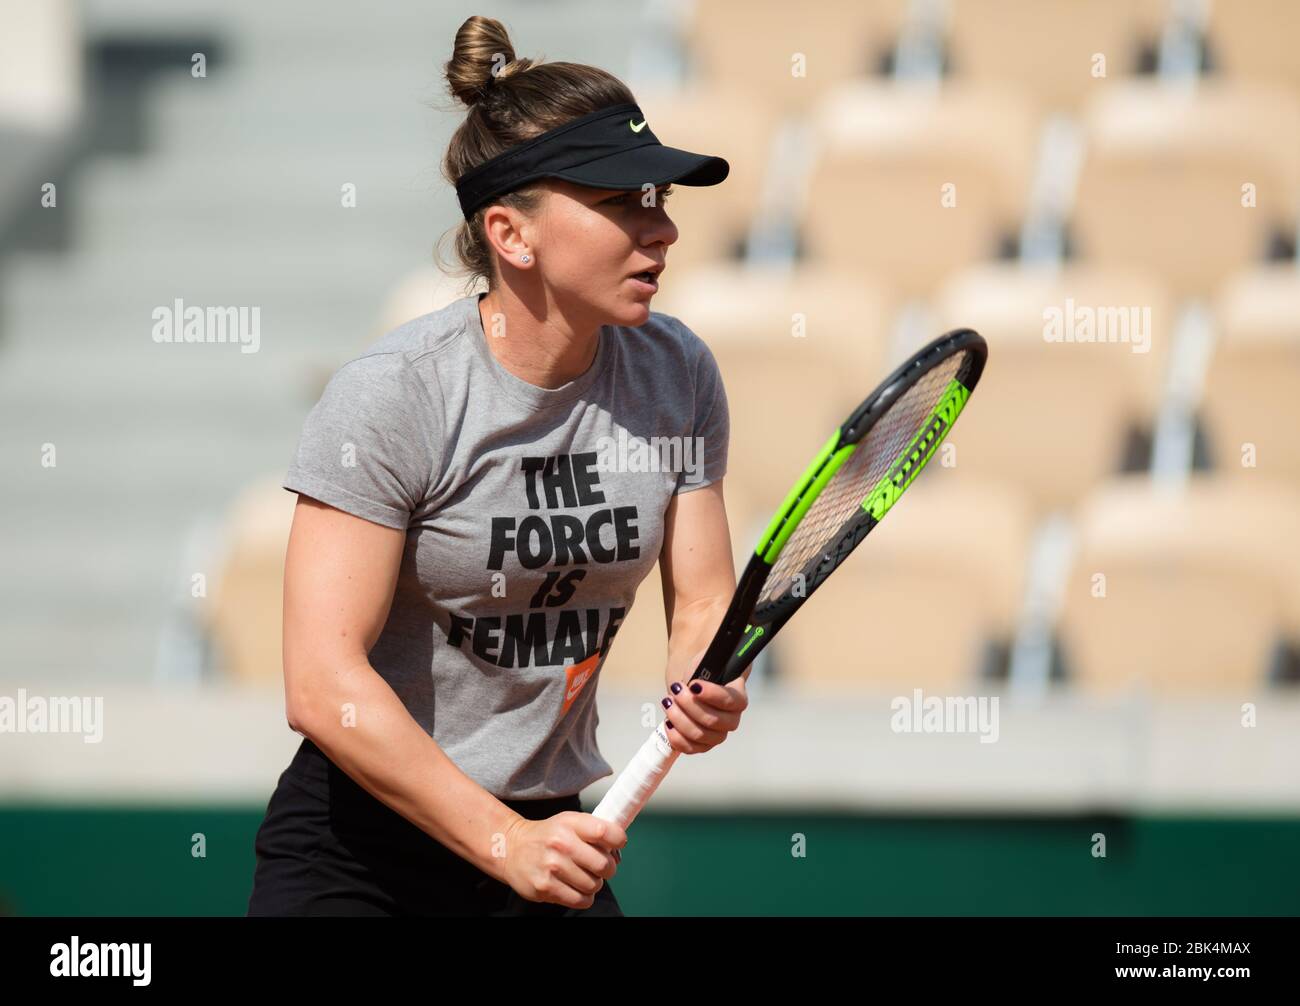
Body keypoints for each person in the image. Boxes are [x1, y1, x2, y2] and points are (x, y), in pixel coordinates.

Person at [246, 14, 748, 917]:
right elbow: (322, 683)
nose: (661, 228)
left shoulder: (681, 373)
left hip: (548, 837)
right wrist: (499, 839)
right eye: (622, 201)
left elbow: (705, 597)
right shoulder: (394, 395)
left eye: (662, 198)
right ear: (511, 235)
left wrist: (702, 683)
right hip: (361, 855)